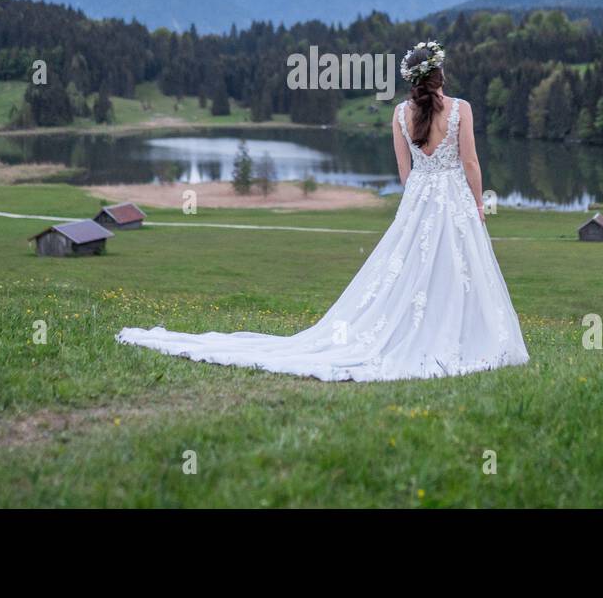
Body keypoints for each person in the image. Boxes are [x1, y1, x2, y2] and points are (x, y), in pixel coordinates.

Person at [114, 40, 529, 381]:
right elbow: (471, 162)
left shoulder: (400, 114)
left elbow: (405, 174)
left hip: (419, 199)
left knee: (409, 270)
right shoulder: (461, 109)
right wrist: (476, 201)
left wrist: (419, 203)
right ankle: (465, 338)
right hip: (453, 197)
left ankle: (416, 332)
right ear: (441, 75)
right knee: (459, 267)